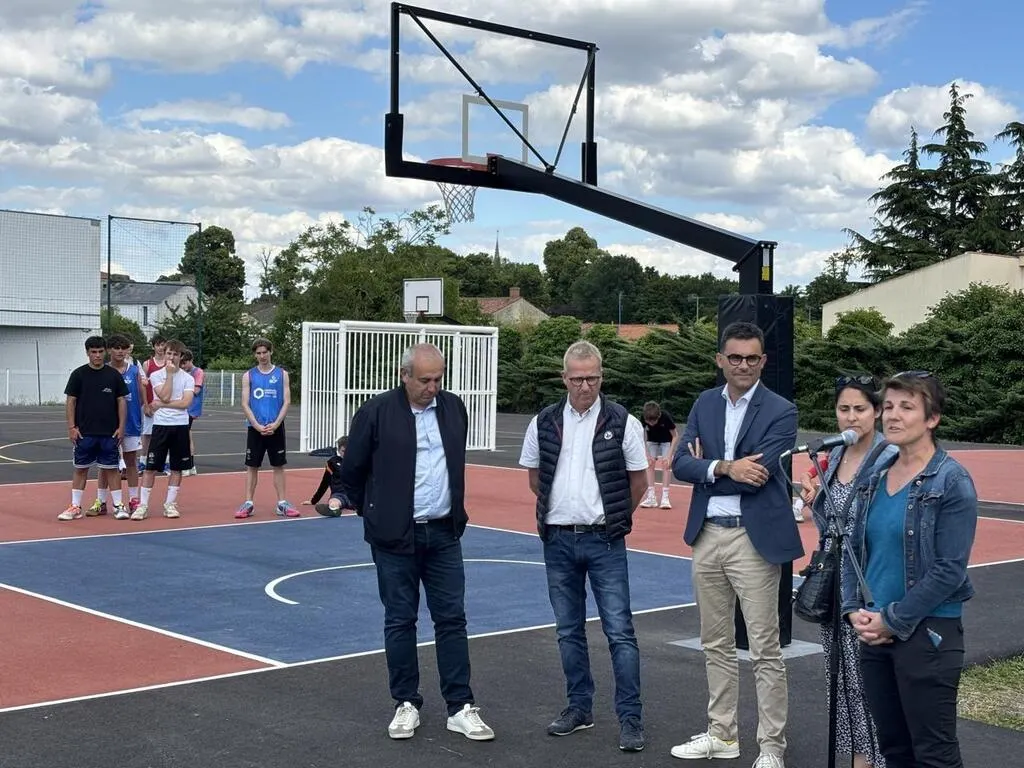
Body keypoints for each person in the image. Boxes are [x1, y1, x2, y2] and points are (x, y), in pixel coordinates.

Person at [334, 343, 494, 742]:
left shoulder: (453, 409)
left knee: (452, 619)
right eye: (424, 380)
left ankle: (460, 706)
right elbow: (351, 471)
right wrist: (375, 512)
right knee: (400, 619)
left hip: (443, 533)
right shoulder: (375, 412)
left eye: (438, 379)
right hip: (394, 537)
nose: (432, 387)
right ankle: (406, 702)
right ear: (404, 375)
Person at [670, 321, 801, 768]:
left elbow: (759, 474)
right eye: (735, 357)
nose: (743, 365)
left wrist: (708, 467)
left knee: (765, 649)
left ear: (763, 361)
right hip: (707, 535)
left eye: (751, 358)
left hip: (753, 539)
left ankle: (771, 747)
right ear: (720, 360)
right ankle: (723, 734)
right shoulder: (704, 403)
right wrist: (725, 467)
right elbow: (680, 465)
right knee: (715, 643)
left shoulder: (782, 410)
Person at [518, 340, 649, 752]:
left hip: (605, 540)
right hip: (558, 540)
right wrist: (563, 511)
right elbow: (535, 479)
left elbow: (639, 482)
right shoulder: (543, 422)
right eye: (577, 379)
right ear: (564, 378)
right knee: (568, 631)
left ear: (601, 376)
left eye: (592, 378)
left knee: (620, 632)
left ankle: (630, 717)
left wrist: (613, 517)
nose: (585, 386)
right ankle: (579, 707)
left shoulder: (623, 421)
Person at [841, 371, 977, 768]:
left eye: (906, 407)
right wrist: (852, 609)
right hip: (875, 633)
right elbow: (852, 549)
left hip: (928, 633)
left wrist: (892, 620)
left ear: (932, 418)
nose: (893, 416)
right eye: (888, 406)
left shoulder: (951, 480)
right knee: (894, 750)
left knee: (933, 754)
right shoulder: (875, 474)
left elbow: (949, 569)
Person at [798, 374, 894, 768]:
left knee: (870, 680)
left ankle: (880, 759)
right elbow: (831, 520)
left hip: (871, 582)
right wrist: (815, 500)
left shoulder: (889, 457)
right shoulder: (835, 455)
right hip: (836, 582)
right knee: (841, 679)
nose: (851, 417)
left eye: (860, 409)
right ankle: (857, 758)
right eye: (843, 409)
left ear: (876, 412)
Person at [59, 336, 129, 521]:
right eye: (93, 352)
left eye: (100, 351)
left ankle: (118, 506)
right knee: (81, 469)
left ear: (105, 352)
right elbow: (71, 401)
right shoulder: (78, 374)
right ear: (87, 353)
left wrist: (121, 427)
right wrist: (71, 427)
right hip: (84, 433)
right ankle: (75, 506)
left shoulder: (113, 375)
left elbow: (121, 401)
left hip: (109, 433)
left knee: (112, 469)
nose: (97, 355)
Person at [236, 338, 299, 519]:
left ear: (271, 352)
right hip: (255, 428)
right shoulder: (248, 376)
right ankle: (248, 503)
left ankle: (282, 503)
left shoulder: (282, 374)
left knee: (278, 465)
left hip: (275, 427)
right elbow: (245, 403)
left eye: (265, 352)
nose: (262, 356)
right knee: (252, 466)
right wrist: (256, 425)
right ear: (254, 355)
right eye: (259, 353)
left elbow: (286, 401)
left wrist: (277, 423)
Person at [133, 339, 195, 520]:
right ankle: (143, 505)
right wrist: (169, 375)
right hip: (161, 426)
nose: (172, 357)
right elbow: (166, 395)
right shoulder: (156, 376)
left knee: (176, 468)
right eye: (169, 353)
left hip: (180, 426)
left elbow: (185, 403)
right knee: (150, 467)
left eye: (176, 354)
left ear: (181, 356)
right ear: (164, 353)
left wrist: (162, 404)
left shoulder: (188, 378)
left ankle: (170, 504)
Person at [92, 334, 146, 519]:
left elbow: (141, 394)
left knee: (131, 462)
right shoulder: (103, 371)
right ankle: (101, 501)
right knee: (105, 464)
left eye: (123, 348)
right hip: (107, 425)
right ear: (109, 350)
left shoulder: (134, 371)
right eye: (116, 348)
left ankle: (133, 499)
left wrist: (143, 408)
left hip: (131, 422)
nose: (120, 351)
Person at [640, 401, 678, 509]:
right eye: (649, 422)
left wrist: (669, 455)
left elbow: (675, 436)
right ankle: (651, 497)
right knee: (649, 465)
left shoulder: (666, 417)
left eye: (654, 421)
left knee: (666, 465)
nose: (651, 424)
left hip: (666, 441)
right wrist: (647, 454)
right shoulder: (643, 417)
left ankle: (665, 498)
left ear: (659, 416)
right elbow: (640, 435)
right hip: (651, 441)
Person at [139, 335, 167, 470]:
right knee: (147, 434)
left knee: (166, 434)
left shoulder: (170, 363)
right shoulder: (148, 364)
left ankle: (165, 462)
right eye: (158, 345)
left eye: (162, 345)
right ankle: (143, 461)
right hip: (151, 404)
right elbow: (143, 385)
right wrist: (145, 404)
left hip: (165, 405)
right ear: (153, 347)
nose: (160, 348)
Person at [303, 436, 348, 517]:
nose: (346, 454)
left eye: (349, 451)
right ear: (338, 450)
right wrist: (314, 500)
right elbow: (325, 482)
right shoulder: (332, 463)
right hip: (339, 494)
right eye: (343, 451)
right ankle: (334, 510)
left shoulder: (358, 462)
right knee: (333, 501)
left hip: (355, 495)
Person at [180, 349, 204, 476]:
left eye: (185, 363)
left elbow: (196, 390)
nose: (183, 366)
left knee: (184, 437)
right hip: (182, 409)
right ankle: (191, 465)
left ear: (191, 361)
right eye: (181, 363)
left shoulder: (198, 372)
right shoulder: (181, 372)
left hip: (190, 409)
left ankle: (187, 465)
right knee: (186, 436)